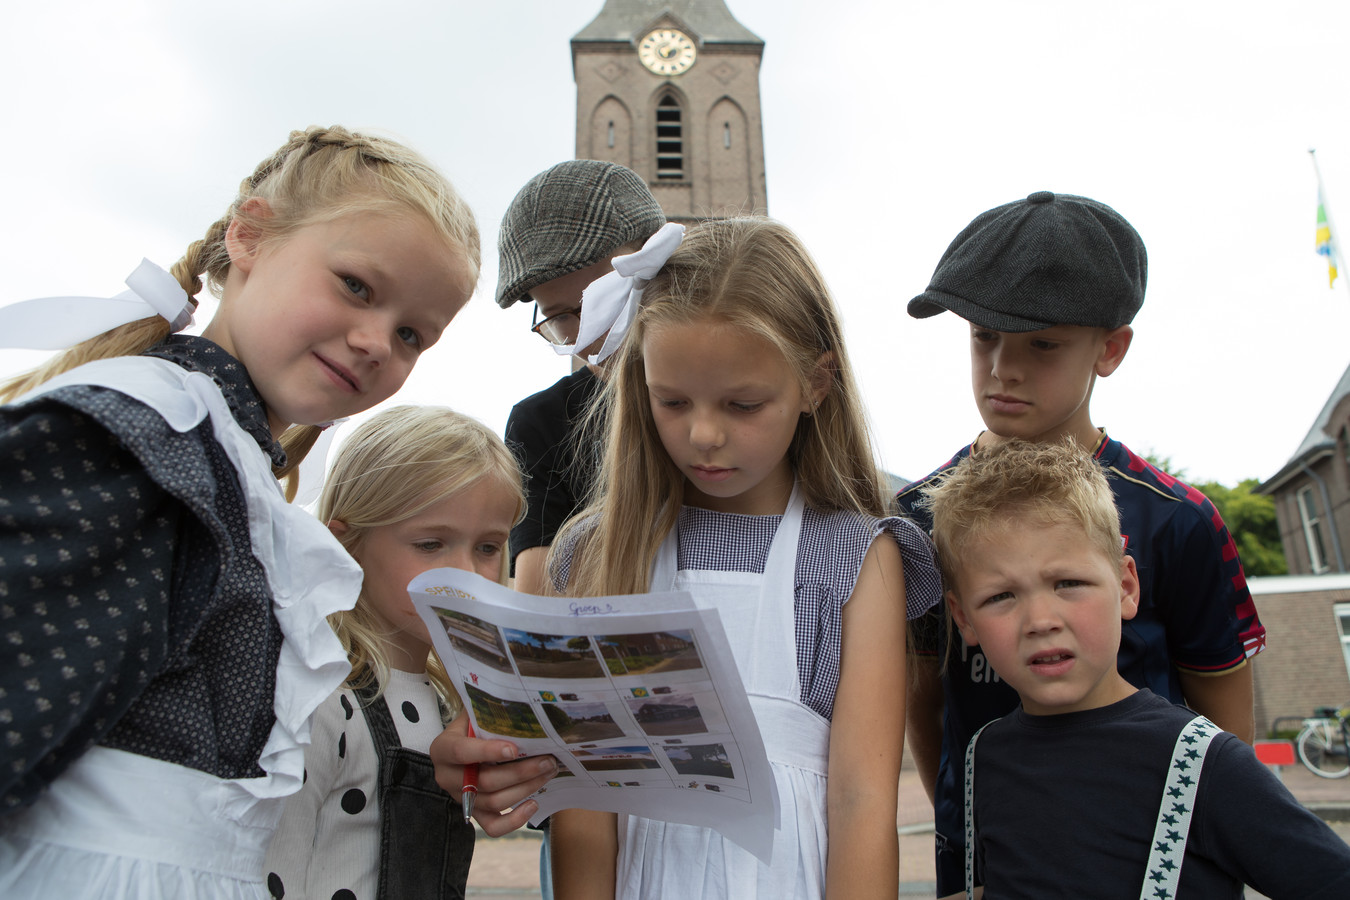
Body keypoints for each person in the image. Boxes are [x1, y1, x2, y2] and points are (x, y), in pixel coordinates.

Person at [0, 125, 480, 898]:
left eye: (411, 335)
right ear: (250, 236)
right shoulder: (149, 440)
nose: (374, 343)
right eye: (357, 286)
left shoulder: (234, 466)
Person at [546, 217, 943, 900]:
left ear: (816, 385)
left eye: (744, 403)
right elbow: (586, 800)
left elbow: (862, 803)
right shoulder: (601, 555)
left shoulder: (856, 558)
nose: (703, 433)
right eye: (672, 401)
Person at [894, 191, 1267, 897]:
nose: (1003, 367)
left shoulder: (1179, 521)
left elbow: (1225, 736)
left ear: (1111, 348)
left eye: (1042, 344)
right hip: (986, 862)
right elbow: (925, 704)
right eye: (983, 337)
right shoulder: (917, 518)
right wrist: (960, 825)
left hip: (1150, 861)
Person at [924, 440, 1350, 900]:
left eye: (1068, 583)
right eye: (1000, 597)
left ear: (1126, 587)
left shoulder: (1205, 761)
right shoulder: (984, 756)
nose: (1040, 621)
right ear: (963, 618)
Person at [263, 405, 524, 899]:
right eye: (430, 544)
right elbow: (272, 873)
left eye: (488, 548)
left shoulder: (452, 705)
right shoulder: (321, 696)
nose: (464, 573)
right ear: (347, 546)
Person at [495, 159, 668, 596]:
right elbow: (541, 608)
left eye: (602, 301)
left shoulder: (748, 394)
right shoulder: (540, 423)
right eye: (559, 319)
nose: (586, 338)